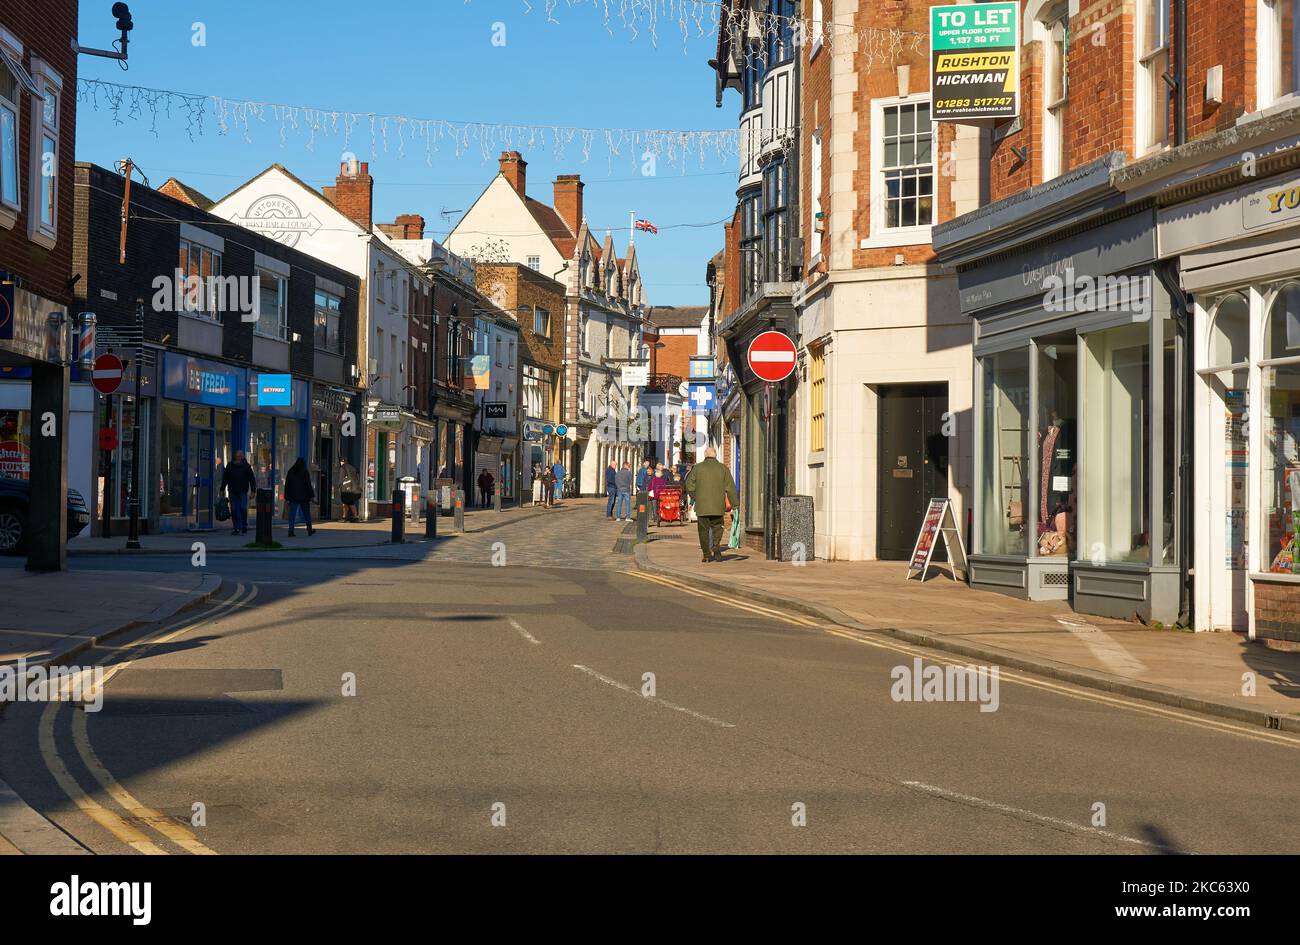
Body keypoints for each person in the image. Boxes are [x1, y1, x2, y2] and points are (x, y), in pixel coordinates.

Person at [685, 447, 738, 563]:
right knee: (717, 527)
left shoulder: (697, 468)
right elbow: (731, 488)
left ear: (705, 455)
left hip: (702, 507)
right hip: (718, 506)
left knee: (703, 530)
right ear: (715, 455)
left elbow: (689, 485)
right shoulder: (723, 468)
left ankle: (706, 554)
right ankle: (715, 545)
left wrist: (695, 497)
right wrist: (735, 505)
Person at [221, 450, 257, 536]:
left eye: (240, 455)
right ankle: (236, 527)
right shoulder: (230, 466)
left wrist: (253, 491)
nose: (239, 457)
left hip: (243, 491)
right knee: (234, 510)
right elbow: (225, 478)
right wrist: (222, 489)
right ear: (235, 456)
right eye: (237, 455)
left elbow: (252, 479)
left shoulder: (246, 466)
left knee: (243, 508)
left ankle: (243, 525)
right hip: (233, 491)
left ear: (242, 456)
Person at [284, 456, 315, 537]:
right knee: (306, 514)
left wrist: (286, 497)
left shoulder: (291, 471)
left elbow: (287, 485)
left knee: (292, 514)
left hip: (293, 497)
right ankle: (309, 530)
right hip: (304, 497)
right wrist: (311, 496)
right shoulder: (304, 472)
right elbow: (308, 485)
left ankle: (291, 531)